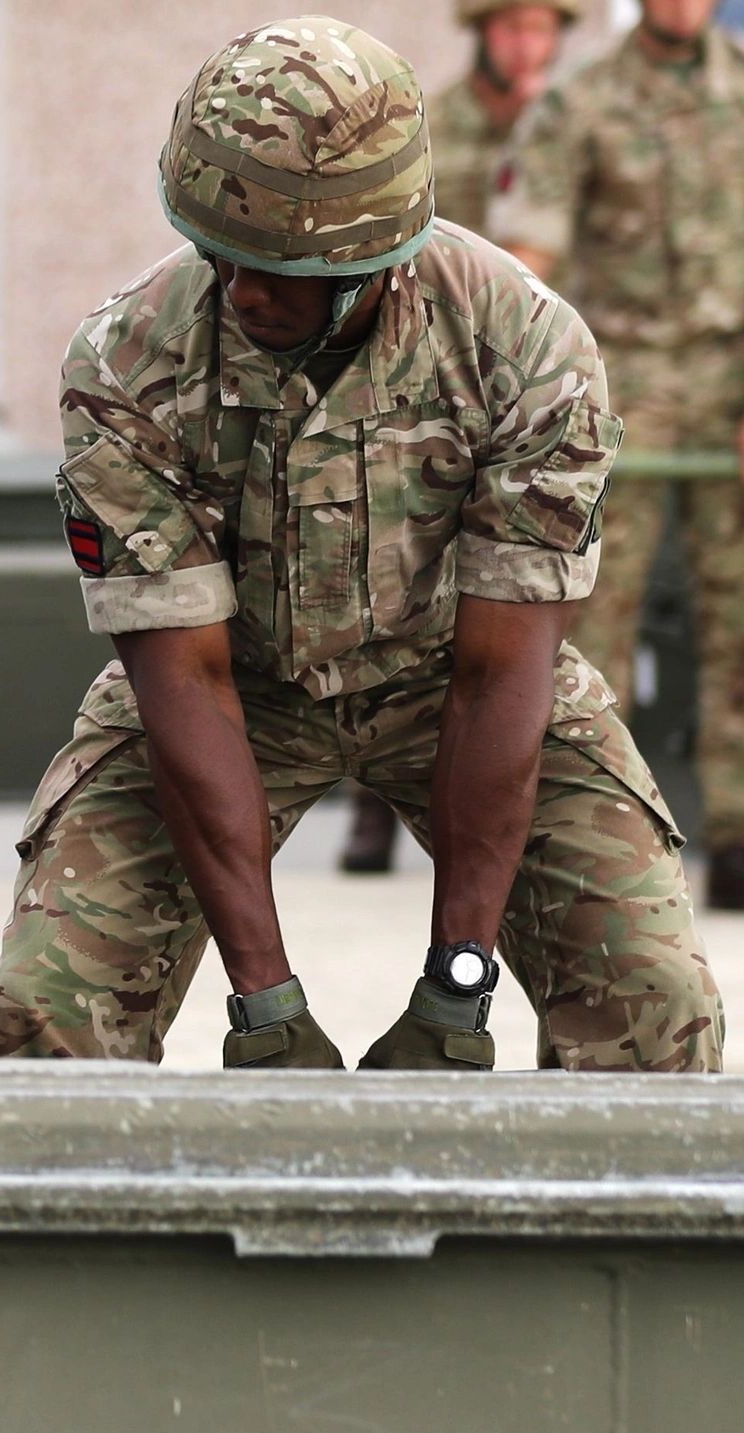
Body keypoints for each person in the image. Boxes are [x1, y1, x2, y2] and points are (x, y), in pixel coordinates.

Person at [0, 16, 721, 1074]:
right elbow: (183, 680)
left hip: (453, 672)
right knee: (48, 1007)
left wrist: (455, 991)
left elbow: (499, 670)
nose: (240, 294)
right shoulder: (128, 363)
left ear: (374, 259)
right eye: (219, 256)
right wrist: (265, 1001)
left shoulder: (524, 350)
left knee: (657, 1010)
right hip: (235, 682)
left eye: (277, 269)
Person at [492, 0, 744, 907]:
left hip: (732, 389)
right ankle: (596, 839)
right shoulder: (582, 104)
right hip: (621, 385)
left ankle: (738, 835)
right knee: (593, 617)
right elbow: (530, 257)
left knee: (740, 619)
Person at [340, 0, 584, 873]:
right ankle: (371, 806)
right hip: (420, 381)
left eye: (543, 32)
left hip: (523, 385)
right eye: (513, 29)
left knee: (521, 596)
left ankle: (524, 798)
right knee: (389, 583)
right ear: (484, 31)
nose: (527, 47)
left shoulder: (573, 121)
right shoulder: (431, 127)